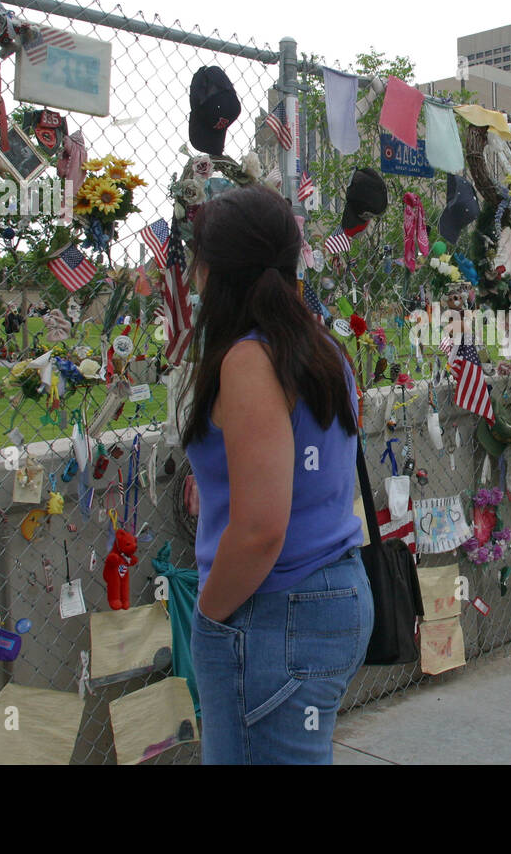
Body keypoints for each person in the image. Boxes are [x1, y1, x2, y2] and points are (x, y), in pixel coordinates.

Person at [181, 185, 372, 764]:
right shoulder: (322, 350)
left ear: (214, 272)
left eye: (194, 263)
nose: (189, 278)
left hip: (275, 608)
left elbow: (262, 530)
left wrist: (208, 620)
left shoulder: (247, 360)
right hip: (334, 592)